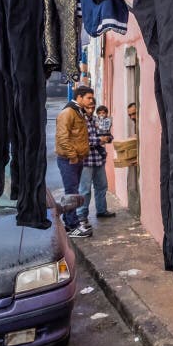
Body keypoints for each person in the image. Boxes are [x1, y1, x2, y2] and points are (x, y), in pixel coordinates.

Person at [55, 85, 93, 237]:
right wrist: (73, 156)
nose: (91, 101)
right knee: (72, 193)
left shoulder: (78, 112)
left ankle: (69, 222)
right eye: (88, 98)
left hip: (76, 159)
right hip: (69, 160)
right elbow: (62, 138)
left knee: (73, 193)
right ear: (79, 97)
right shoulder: (68, 112)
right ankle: (73, 226)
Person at [77, 104, 115, 225]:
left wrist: (107, 138)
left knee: (102, 186)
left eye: (92, 107)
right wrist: (99, 140)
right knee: (85, 190)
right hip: (86, 161)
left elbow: (108, 134)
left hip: (99, 158)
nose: (90, 110)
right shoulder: (79, 121)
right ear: (83, 108)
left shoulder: (97, 120)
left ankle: (101, 210)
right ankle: (81, 215)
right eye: (88, 107)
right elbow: (81, 141)